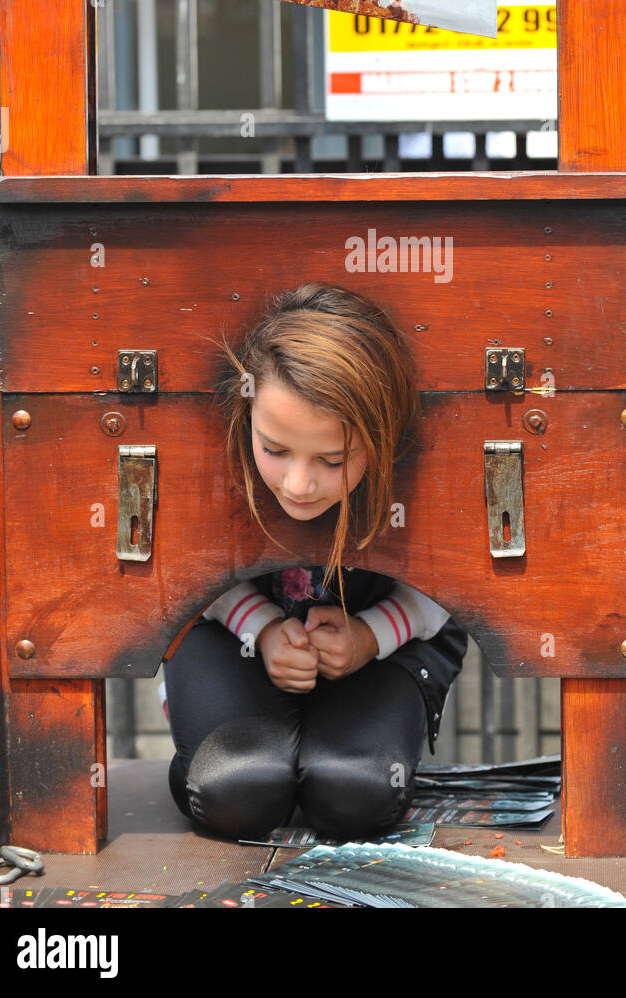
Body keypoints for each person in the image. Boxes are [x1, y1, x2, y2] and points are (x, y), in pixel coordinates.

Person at [163, 281, 468, 842]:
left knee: (356, 792)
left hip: (384, 640)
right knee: (235, 790)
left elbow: (455, 578)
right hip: (229, 634)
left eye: (332, 459)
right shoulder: (224, 446)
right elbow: (188, 562)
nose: (298, 485)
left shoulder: (415, 472)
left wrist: (369, 637)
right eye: (275, 450)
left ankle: (323, 749)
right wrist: (263, 629)